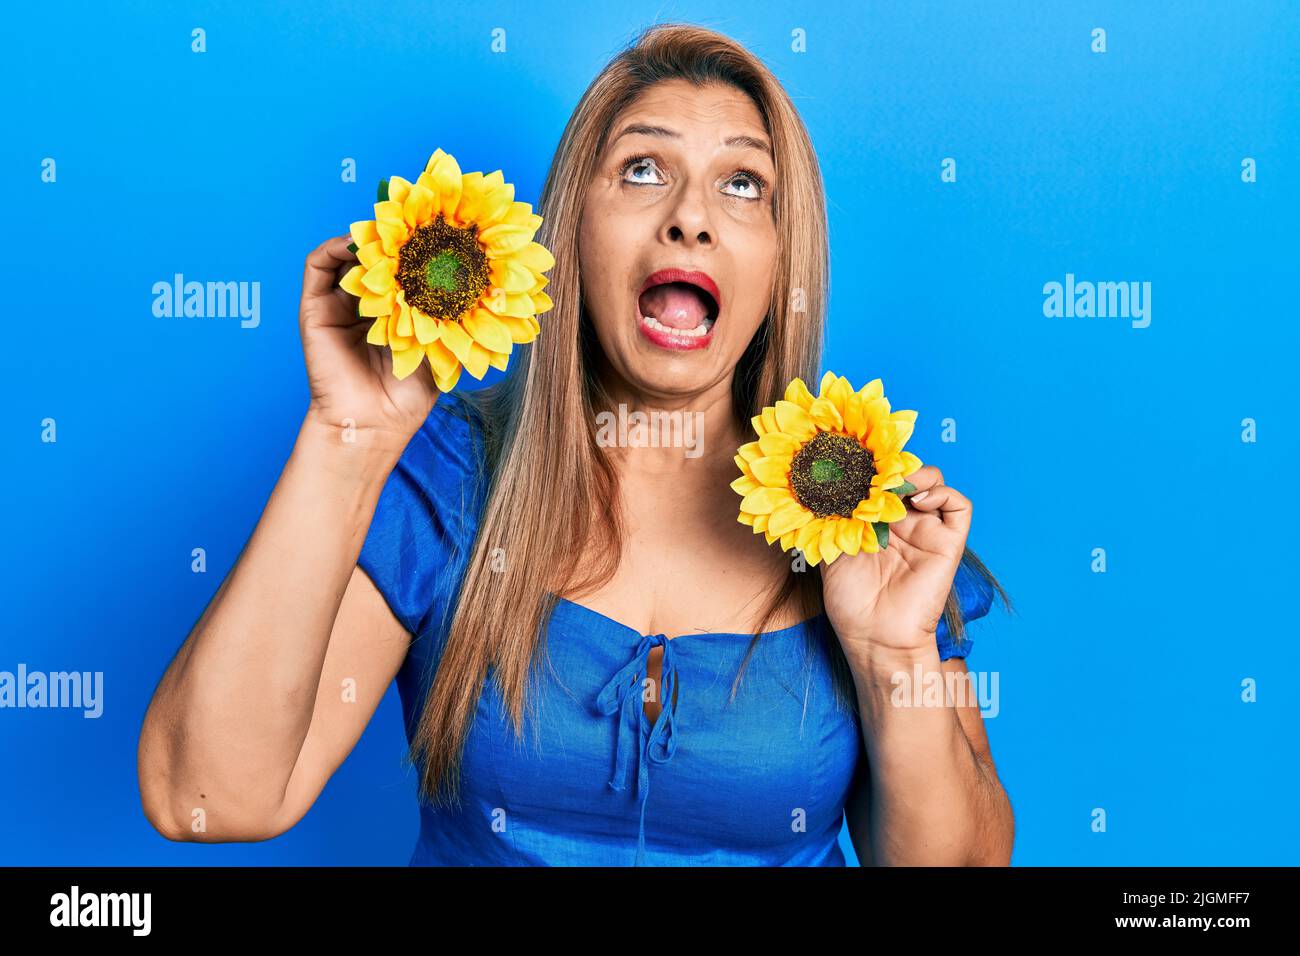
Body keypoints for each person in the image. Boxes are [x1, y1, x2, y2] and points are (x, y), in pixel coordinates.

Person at [138, 23, 1015, 866]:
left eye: (744, 184)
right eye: (642, 169)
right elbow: (203, 797)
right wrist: (347, 437)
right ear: (570, 232)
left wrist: (893, 655)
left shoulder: (864, 514)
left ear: (786, 258)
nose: (691, 218)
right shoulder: (447, 482)